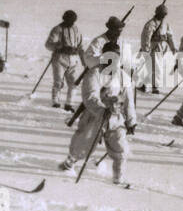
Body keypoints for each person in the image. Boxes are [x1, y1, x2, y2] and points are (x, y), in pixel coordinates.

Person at [58, 40, 138, 185]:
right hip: (94, 115)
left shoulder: (121, 75)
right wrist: (102, 109)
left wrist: (131, 121)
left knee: (120, 147)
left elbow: (129, 100)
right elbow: (89, 96)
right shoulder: (94, 73)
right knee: (83, 144)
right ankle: (69, 163)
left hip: (115, 117)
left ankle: (118, 178)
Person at [44, 10, 84, 108]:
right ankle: (55, 102)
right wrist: (58, 46)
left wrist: (84, 60)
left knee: (74, 82)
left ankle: (69, 104)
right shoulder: (57, 29)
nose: (71, 22)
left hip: (73, 59)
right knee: (58, 81)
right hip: (60, 58)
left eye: (73, 20)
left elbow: (80, 46)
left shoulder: (76, 29)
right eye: (69, 20)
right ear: (64, 19)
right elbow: (48, 44)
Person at [138, 4, 174, 94]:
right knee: (155, 67)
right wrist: (146, 49)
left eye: (165, 14)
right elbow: (146, 37)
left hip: (162, 48)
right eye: (162, 13)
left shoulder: (166, 24)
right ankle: (155, 87)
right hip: (153, 48)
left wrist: (173, 47)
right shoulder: (151, 24)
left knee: (153, 67)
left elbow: (169, 37)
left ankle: (144, 85)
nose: (163, 16)